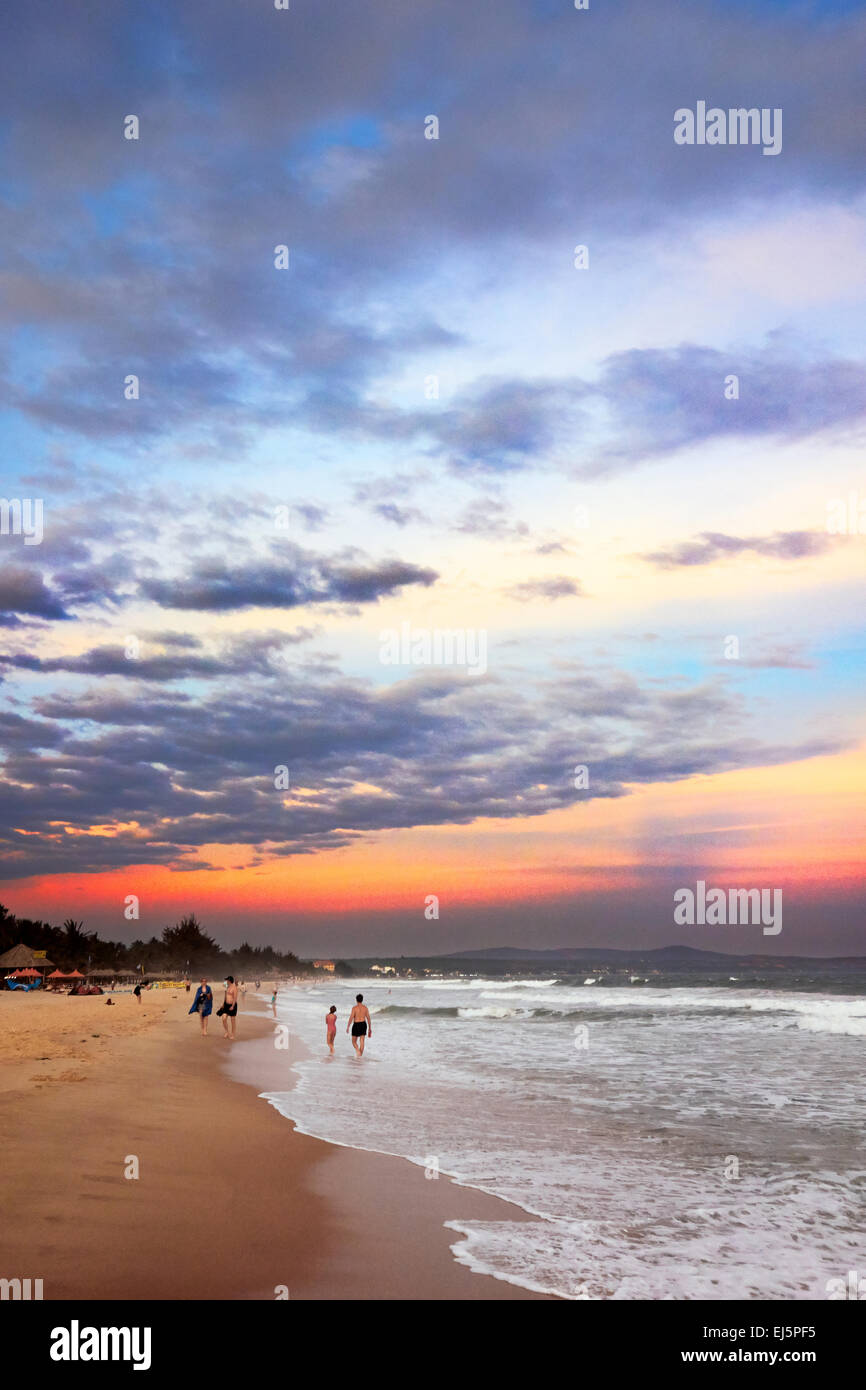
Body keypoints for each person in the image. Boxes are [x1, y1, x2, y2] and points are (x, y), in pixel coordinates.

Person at [221, 974, 238, 1041]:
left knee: (232, 1021)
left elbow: (235, 998)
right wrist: (223, 1004)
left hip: (232, 1005)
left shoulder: (234, 988)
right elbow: (225, 996)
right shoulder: (227, 987)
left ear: (230, 980)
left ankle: (233, 1034)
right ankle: (227, 1032)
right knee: (224, 1018)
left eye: (227, 980)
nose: (226, 981)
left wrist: (233, 1006)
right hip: (226, 1005)